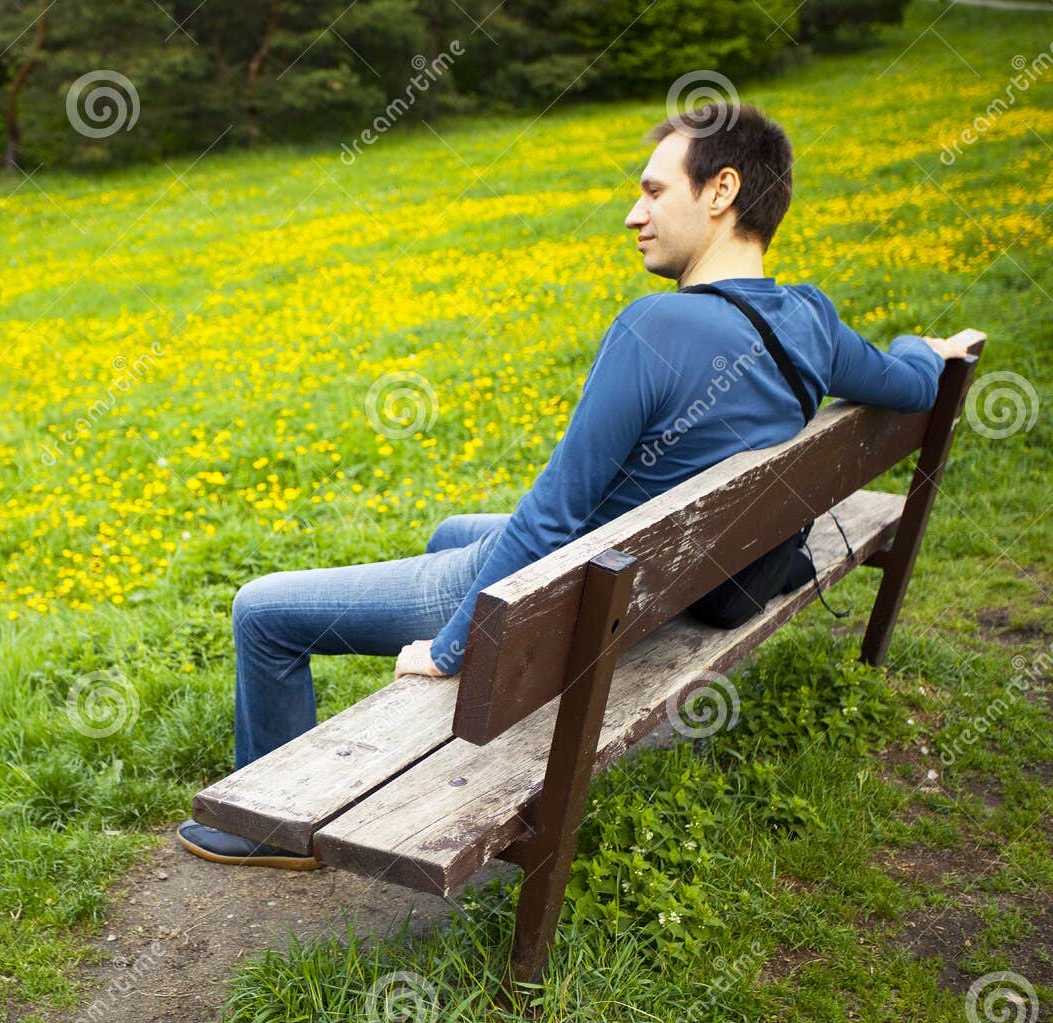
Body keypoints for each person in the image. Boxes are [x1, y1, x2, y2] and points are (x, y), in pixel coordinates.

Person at [177, 102, 971, 869]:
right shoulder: (810, 319)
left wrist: (454, 648)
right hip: (660, 584)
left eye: (654, 190)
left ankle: (266, 833)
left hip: (573, 595)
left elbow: (552, 516)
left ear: (722, 191)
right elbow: (909, 381)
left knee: (263, 611)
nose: (634, 213)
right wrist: (921, 345)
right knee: (456, 528)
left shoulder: (654, 329)